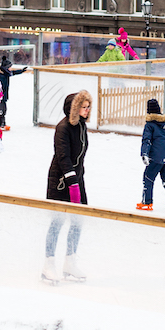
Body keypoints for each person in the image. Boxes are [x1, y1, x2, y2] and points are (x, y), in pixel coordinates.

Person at [43, 90, 91, 284]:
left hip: (77, 180)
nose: (87, 110)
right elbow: (63, 157)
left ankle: (70, 261)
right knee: (57, 222)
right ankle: (48, 264)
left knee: (78, 221)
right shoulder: (63, 128)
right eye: (83, 107)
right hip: (61, 181)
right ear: (74, 108)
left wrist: (78, 181)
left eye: (88, 107)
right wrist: (72, 183)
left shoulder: (81, 126)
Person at [138, 98, 165, 211]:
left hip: (156, 157)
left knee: (148, 177)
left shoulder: (149, 125)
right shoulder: (164, 124)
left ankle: (147, 203)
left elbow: (147, 140)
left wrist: (144, 154)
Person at [0, 55, 29, 131]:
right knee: (0, 110)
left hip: (4, 96)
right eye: (9, 67)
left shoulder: (5, 73)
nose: (11, 69)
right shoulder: (0, 76)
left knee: (3, 110)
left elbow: (13, 72)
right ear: (6, 68)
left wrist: (21, 71)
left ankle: (2, 124)